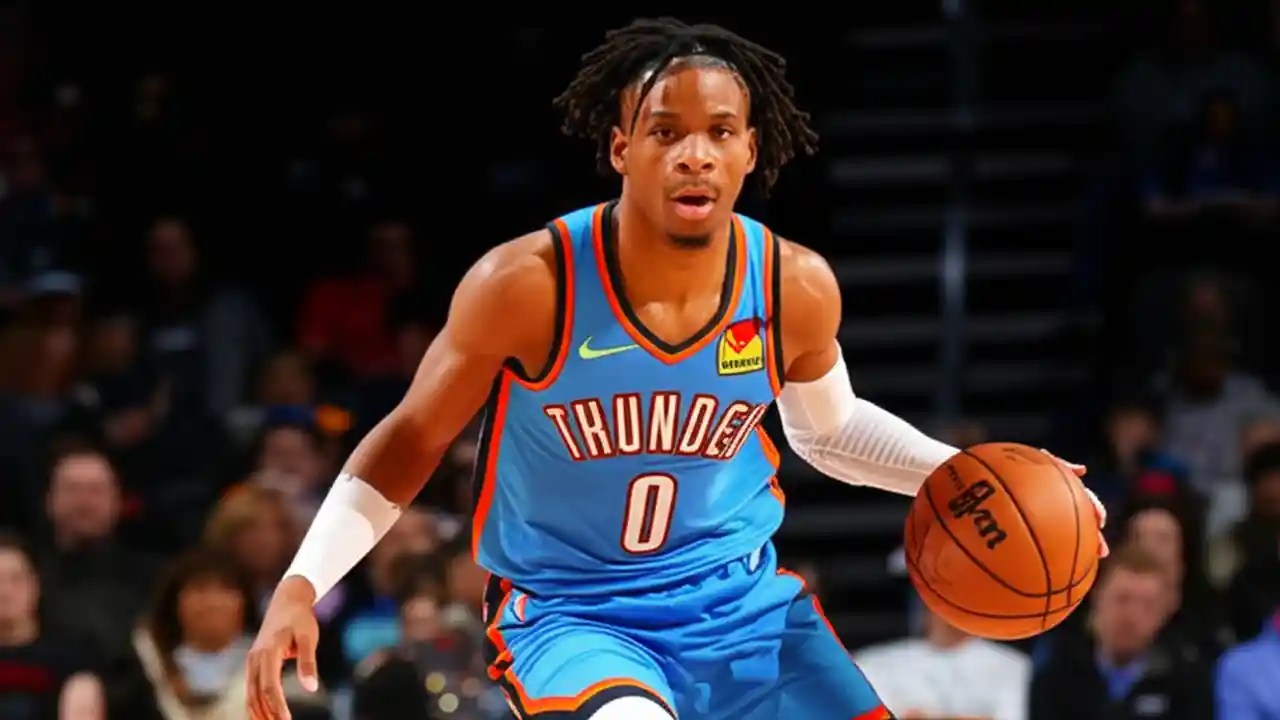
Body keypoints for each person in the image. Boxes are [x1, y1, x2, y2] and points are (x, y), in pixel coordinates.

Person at [246, 18, 1106, 720]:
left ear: (749, 151)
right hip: (573, 614)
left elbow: (830, 432)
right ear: (622, 148)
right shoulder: (529, 285)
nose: (695, 153)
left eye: (719, 133)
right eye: (667, 132)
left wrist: (974, 476)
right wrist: (302, 582)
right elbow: (413, 437)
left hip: (741, 609)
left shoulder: (794, 287)